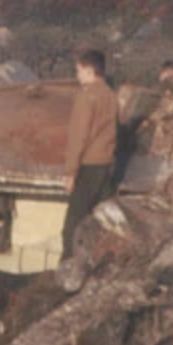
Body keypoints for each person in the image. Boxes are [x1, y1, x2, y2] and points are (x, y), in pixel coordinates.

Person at [61, 48, 119, 261]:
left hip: (87, 167)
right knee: (101, 222)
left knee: (72, 227)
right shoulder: (111, 96)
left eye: (78, 70)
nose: (77, 75)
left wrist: (70, 172)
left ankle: (68, 267)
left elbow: (79, 137)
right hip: (106, 166)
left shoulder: (86, 97)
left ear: (89, 70)